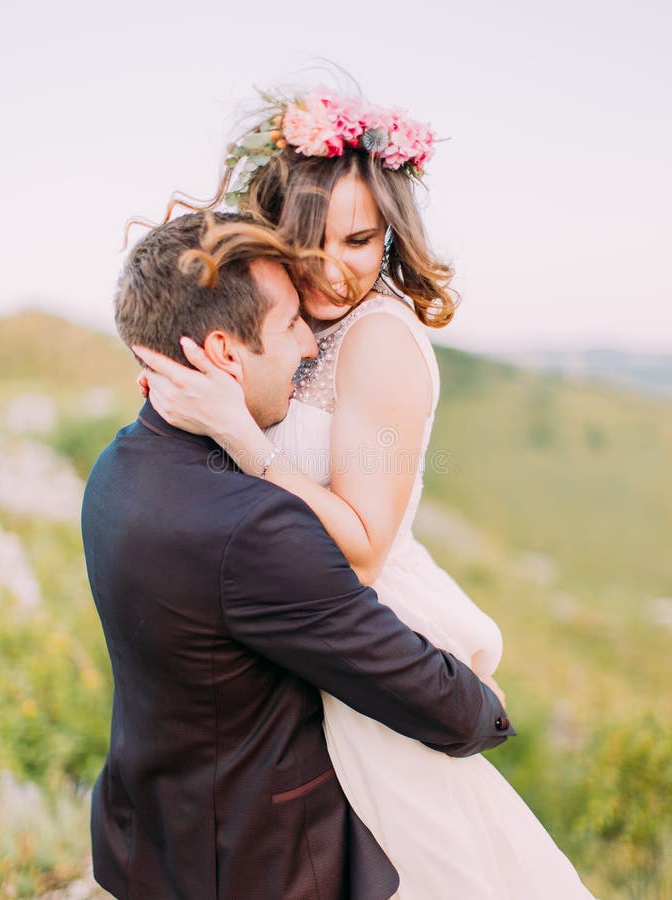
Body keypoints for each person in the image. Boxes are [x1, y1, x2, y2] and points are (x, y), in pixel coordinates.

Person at [135, 87, 596, 898]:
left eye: (360, 238)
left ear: (390, 234)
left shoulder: (378, 339)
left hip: (363, 631)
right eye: (307, 239)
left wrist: (242, 439)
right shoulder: (285, 322)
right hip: (295, 637)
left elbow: (362, 545)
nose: (334, 266)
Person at [82, 210, 513, 900]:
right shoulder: (251, 525)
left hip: (146, 834)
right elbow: (424, 694)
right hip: (257, 865)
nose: (311, 347)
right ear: (223, 354)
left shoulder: (119, 462)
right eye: (289, 326)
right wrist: (484, 705)